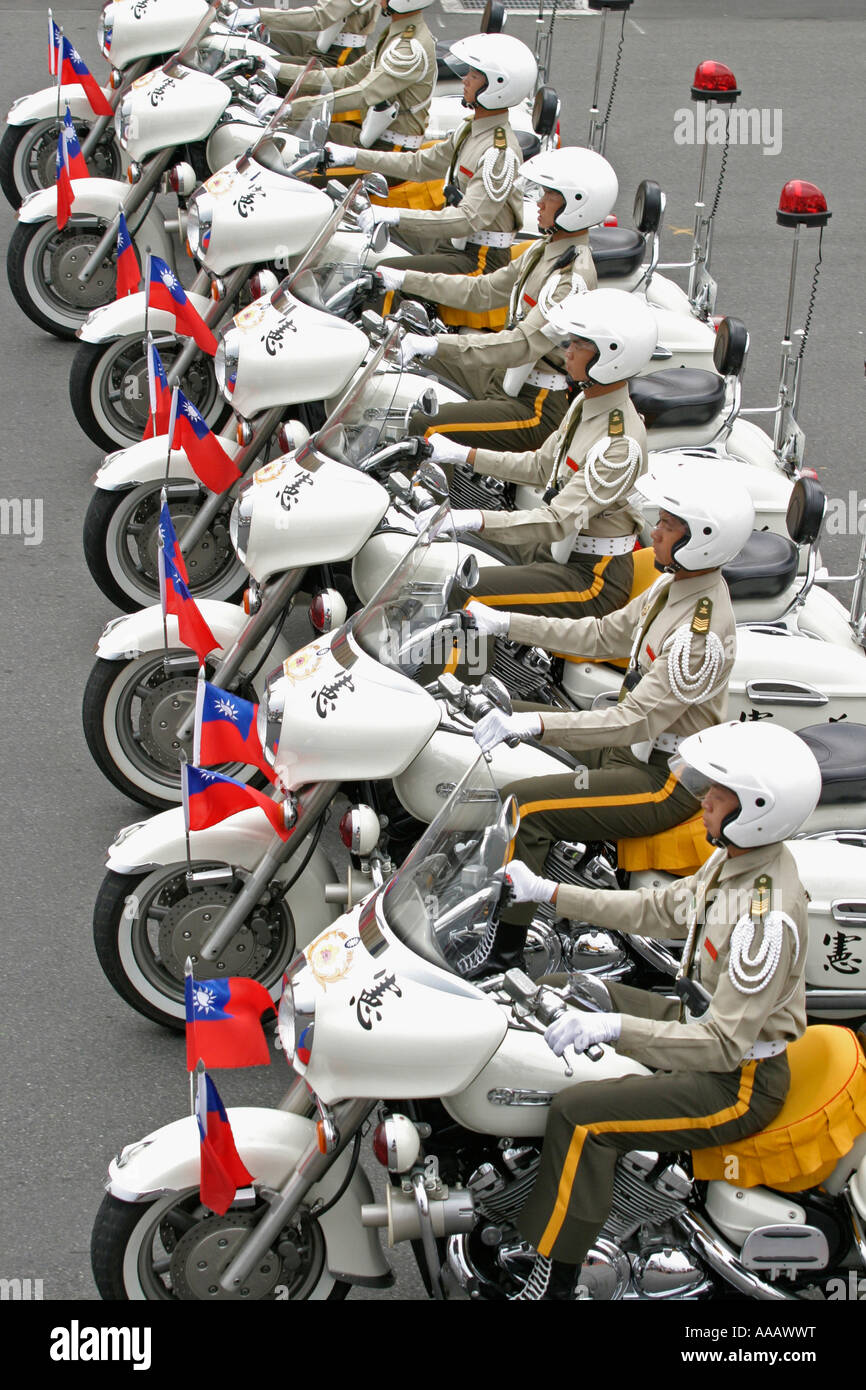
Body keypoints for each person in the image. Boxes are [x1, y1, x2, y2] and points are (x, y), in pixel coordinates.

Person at [498, 719, 820, 1299]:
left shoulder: (763, 917)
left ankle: (554, 1281)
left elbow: (724, 1044)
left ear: (757, 809)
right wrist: (549, 893)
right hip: (697, 1023)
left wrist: (616, 1028)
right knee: (566, 985)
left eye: (717, 797)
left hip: (736, 1083)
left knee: (582, 1118)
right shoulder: (736, 860)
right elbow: (659, 909)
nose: (703, 803)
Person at [467, 457, 755, 970]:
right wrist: (505, 624)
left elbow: (633, 721)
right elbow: (600, 635)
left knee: (526, 809)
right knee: (489, 707)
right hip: (629, 748)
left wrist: (535, 725)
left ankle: (503, 953)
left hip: (662, 778)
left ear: (702, 539)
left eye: (669, 525)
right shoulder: (675, 588)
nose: (656, 530)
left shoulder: (699, 633)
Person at [414, 289, 657, 679]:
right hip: (558, 553)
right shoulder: (586, 402)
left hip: (591, 578)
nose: (567, 351)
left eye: (579, 345)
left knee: (469, 589)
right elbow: (541, 465)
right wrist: (463, 455)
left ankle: (456, 695)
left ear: (610, 357)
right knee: (443, 558)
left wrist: (473, 519)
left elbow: (557, 521)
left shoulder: (619, 444)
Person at [376, 148, 616, 456]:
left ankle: (429, 502)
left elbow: (521, 344)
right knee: (397, 356)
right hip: (505, 380)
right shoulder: (543, 251)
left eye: (550, 196)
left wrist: (436, 343)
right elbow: (482, 291)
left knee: (428, 425)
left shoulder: (571, 278)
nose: (539, 203)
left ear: (577, 205)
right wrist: (404, 279)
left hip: (534, 405)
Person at [325, 33, 535, 275]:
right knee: (356, 236)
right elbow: (420, 165)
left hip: (478, 259)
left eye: (474, 75)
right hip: (456, 245)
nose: (465, 80)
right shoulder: (471, 129)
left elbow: (468, 219)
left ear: (497, 85)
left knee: (383, 273)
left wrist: (395, 215)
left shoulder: (499, 152)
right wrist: (352, 157)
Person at [271, 0, 437, 153]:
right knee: (286, 131)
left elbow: (364, 94)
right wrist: (279, 70)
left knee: (295, 162)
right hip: (372, 139)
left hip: (389, 150)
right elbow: (348, 75)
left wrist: (293, 108)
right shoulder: (399, 32)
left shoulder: (408, 49)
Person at [235, 0, 379, 68]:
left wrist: (261, 15)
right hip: (322, 44)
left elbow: (320, 17)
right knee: (255, 37)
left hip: (340, 56)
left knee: (252, 66)